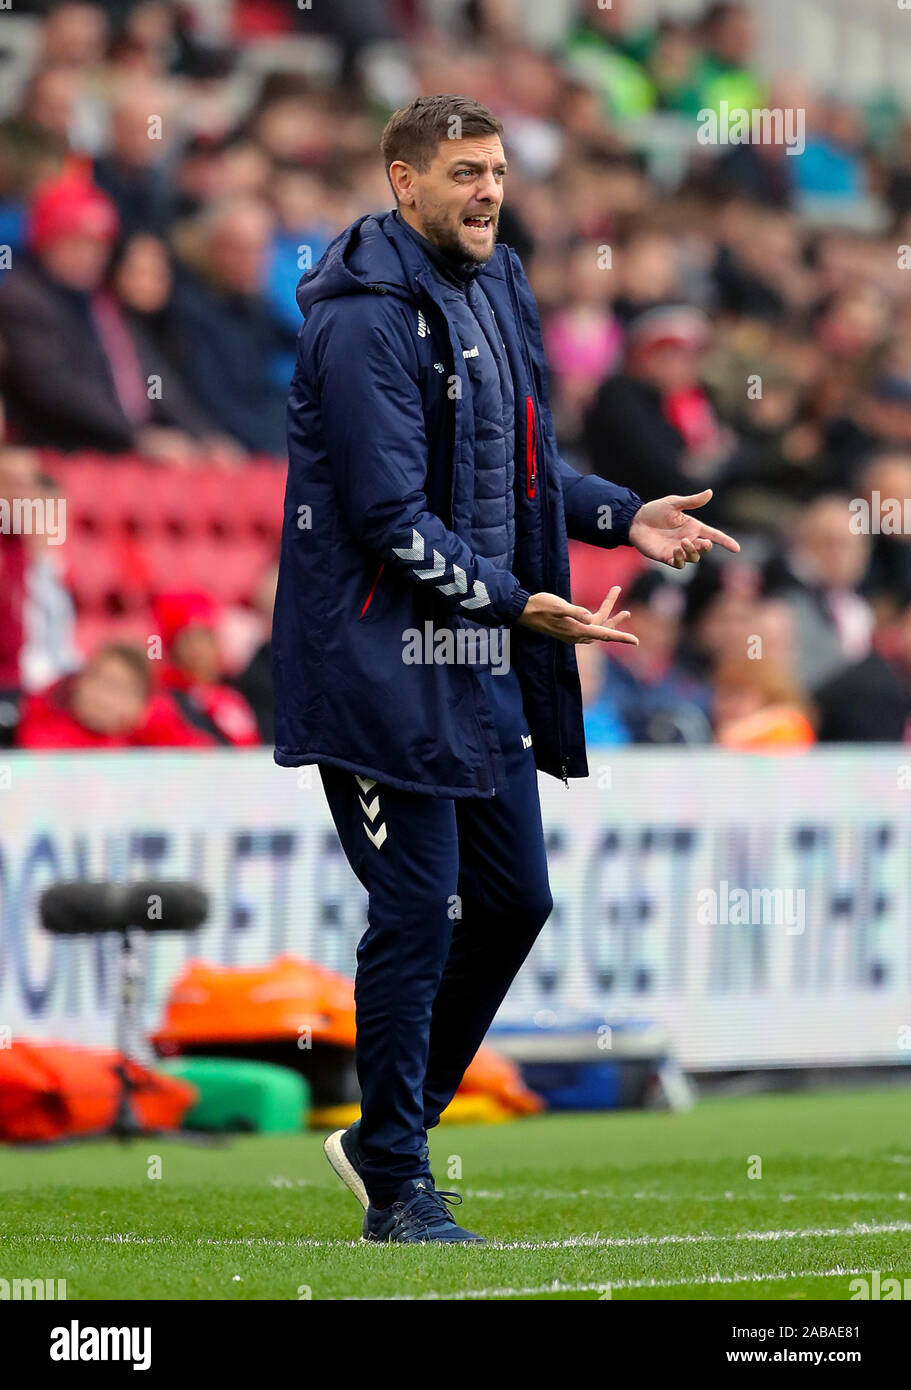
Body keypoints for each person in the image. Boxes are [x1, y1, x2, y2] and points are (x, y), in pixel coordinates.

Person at [272, 94, 739, 1244]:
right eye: (463, 172)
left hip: (479, 649)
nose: (487, 190)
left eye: (495, 171)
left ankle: (389, 1131)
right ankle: (395, 1187)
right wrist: (510, 600)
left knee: (516, 898)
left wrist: (621, 515)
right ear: (402, 181)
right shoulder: (361, 318)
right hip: (379, 659)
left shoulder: (499, 282)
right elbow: (385, 513)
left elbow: (525, 467)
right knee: (419, 903)